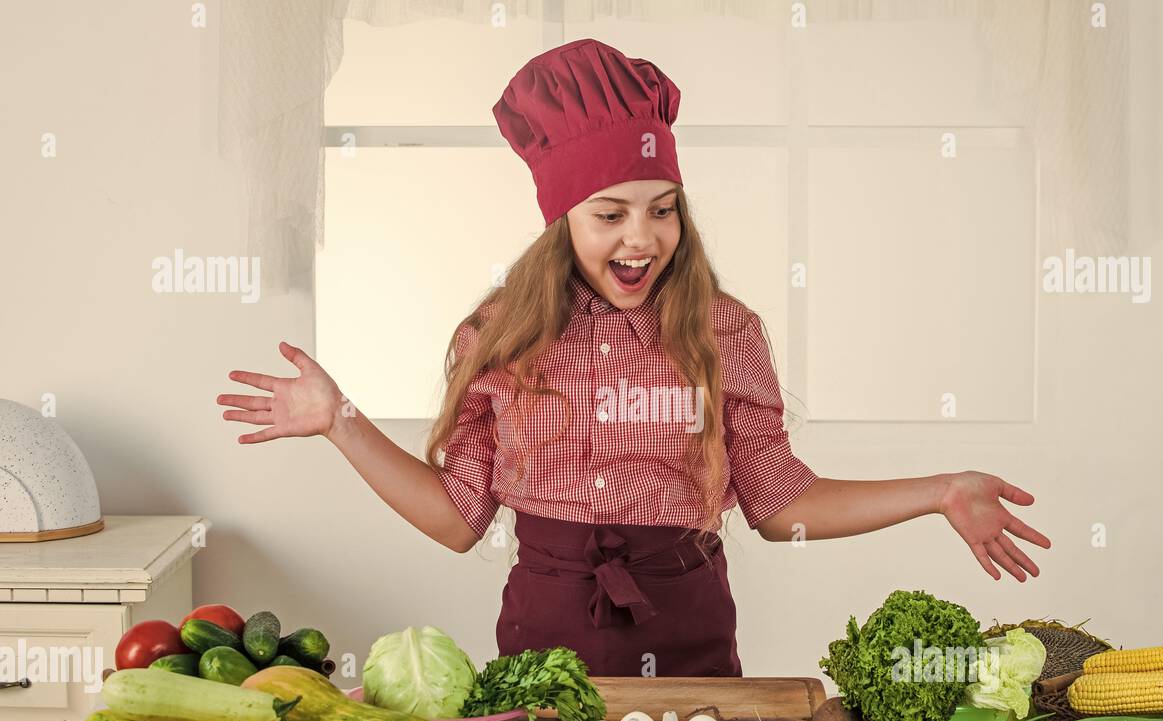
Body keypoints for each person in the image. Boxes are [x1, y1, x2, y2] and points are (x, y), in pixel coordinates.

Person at [217, 39, 1050, 678]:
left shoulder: (727, 332)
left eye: (662, 210)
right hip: (546, 642)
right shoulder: (501, 336)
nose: (642, 237)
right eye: (609, 214)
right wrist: (340, 422)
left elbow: (779, 502)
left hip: (690, 635)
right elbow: (457, 521)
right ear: (563, 220)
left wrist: (939, 492)